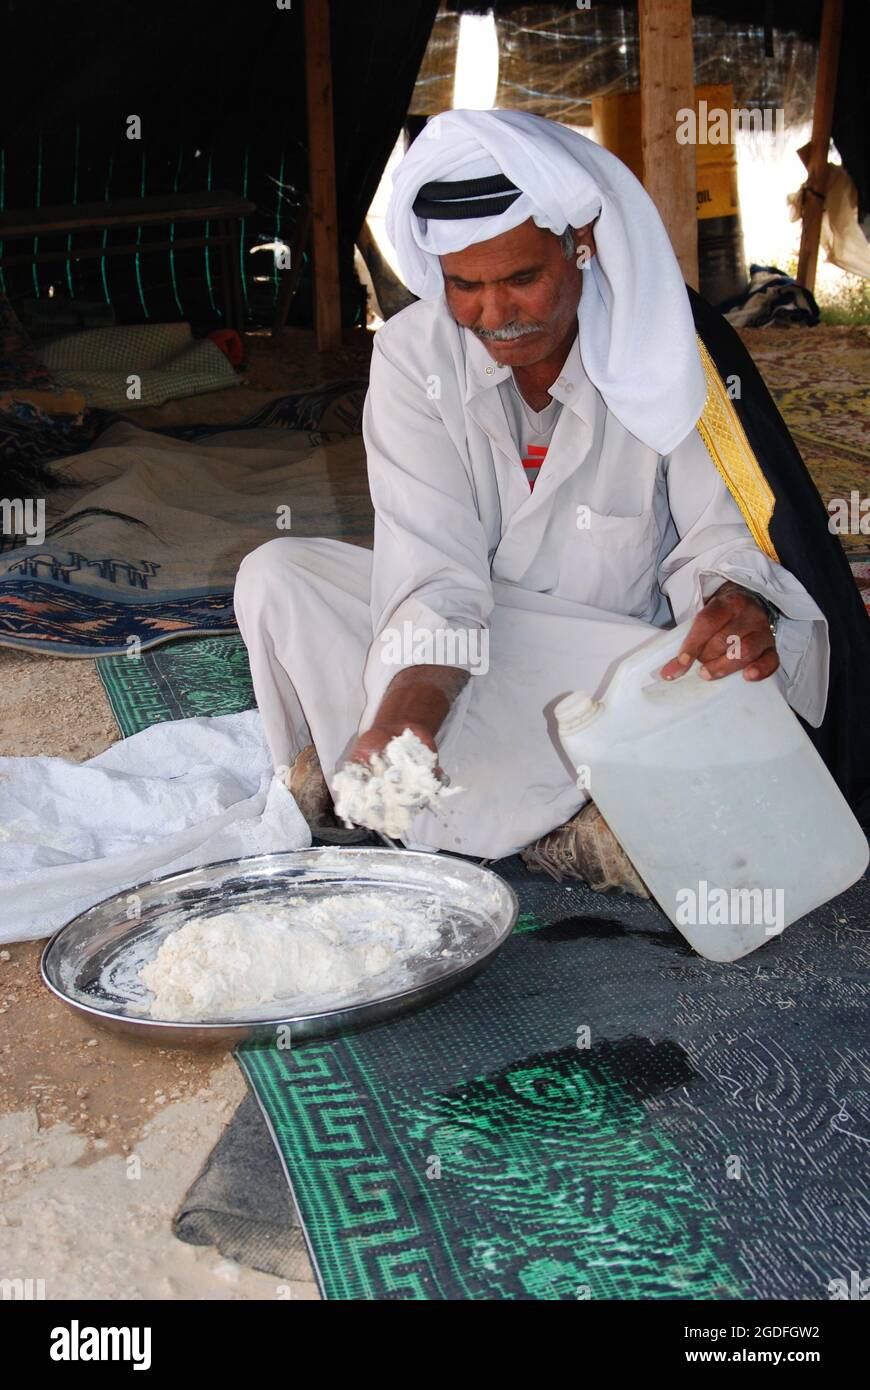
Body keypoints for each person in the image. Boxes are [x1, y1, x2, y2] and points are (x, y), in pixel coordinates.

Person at [234, 109, 870, 893]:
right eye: (465, 286)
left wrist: (736, 607)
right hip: (463, 644)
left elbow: (725, 536)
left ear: (583, 243)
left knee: (730, 681)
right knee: (280, 576)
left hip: (614, 664)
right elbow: (432, 570)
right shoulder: (411, 356)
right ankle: (569, 820)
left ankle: (453, 799)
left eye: (521, 279)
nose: (495, 317)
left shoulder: (665, 344)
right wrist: (411, 708)